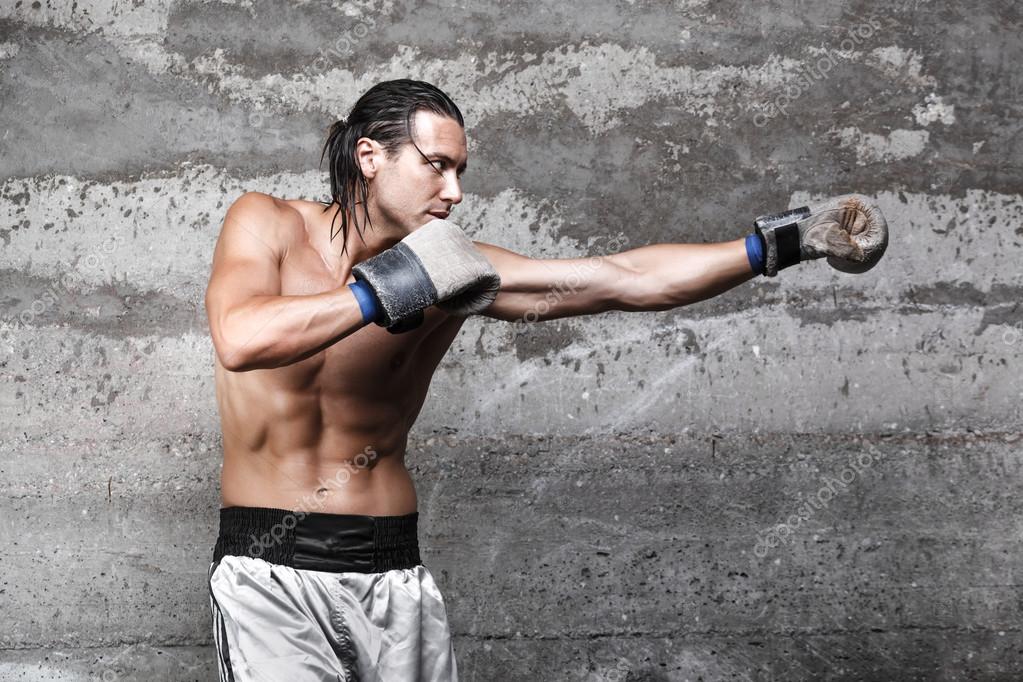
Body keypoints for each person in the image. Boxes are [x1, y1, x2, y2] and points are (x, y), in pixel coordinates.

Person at [203, 78, 887, 681]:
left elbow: (623, 279)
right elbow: (241, 338)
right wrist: (393, 286)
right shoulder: (266, 222)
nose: (455, 191)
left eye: (460, 171)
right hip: (268, 564)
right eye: (436, 165)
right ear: (370, 157)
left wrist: (780, 245)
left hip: (389, 564)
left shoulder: (457, 268)